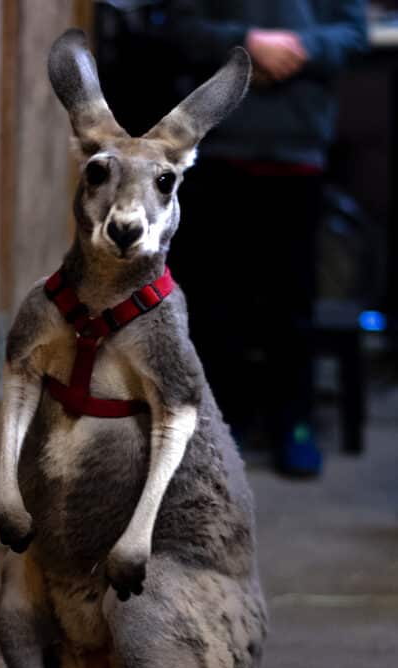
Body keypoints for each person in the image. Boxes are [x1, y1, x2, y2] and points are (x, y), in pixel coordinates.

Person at [142, 1, 368, 476]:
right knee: (217, 300)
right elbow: (178, 28)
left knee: (293, 300)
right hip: (217, 147)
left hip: (298, 147)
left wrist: (302, 48)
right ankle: (222, 424)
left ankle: (294, 424)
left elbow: (353, 34)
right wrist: (248, 45)